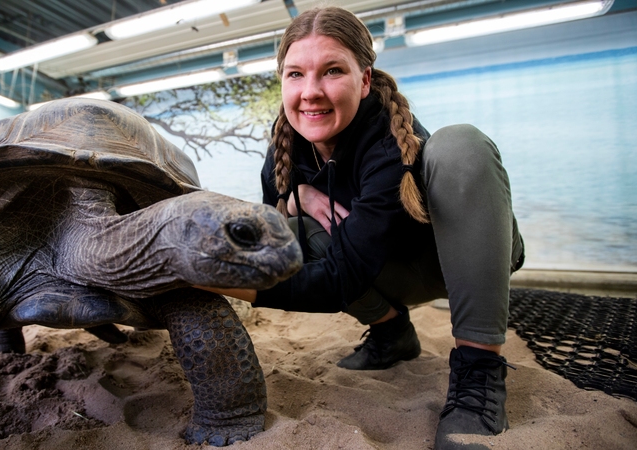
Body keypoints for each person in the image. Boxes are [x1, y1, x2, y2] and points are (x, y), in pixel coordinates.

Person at [197, 6, 525, 448]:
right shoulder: (283, 157)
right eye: (295, 74)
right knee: (287, 225)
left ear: (365, 79)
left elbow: (338, 281)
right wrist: (295, 197)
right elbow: (278, 257)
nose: (310, 92)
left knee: (459, 144)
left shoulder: (387, 137)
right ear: (282, 82)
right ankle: (393, 335)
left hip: (458, 262)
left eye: (332, 71)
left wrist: (213, 279)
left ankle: (479, 372)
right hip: (383, 270)